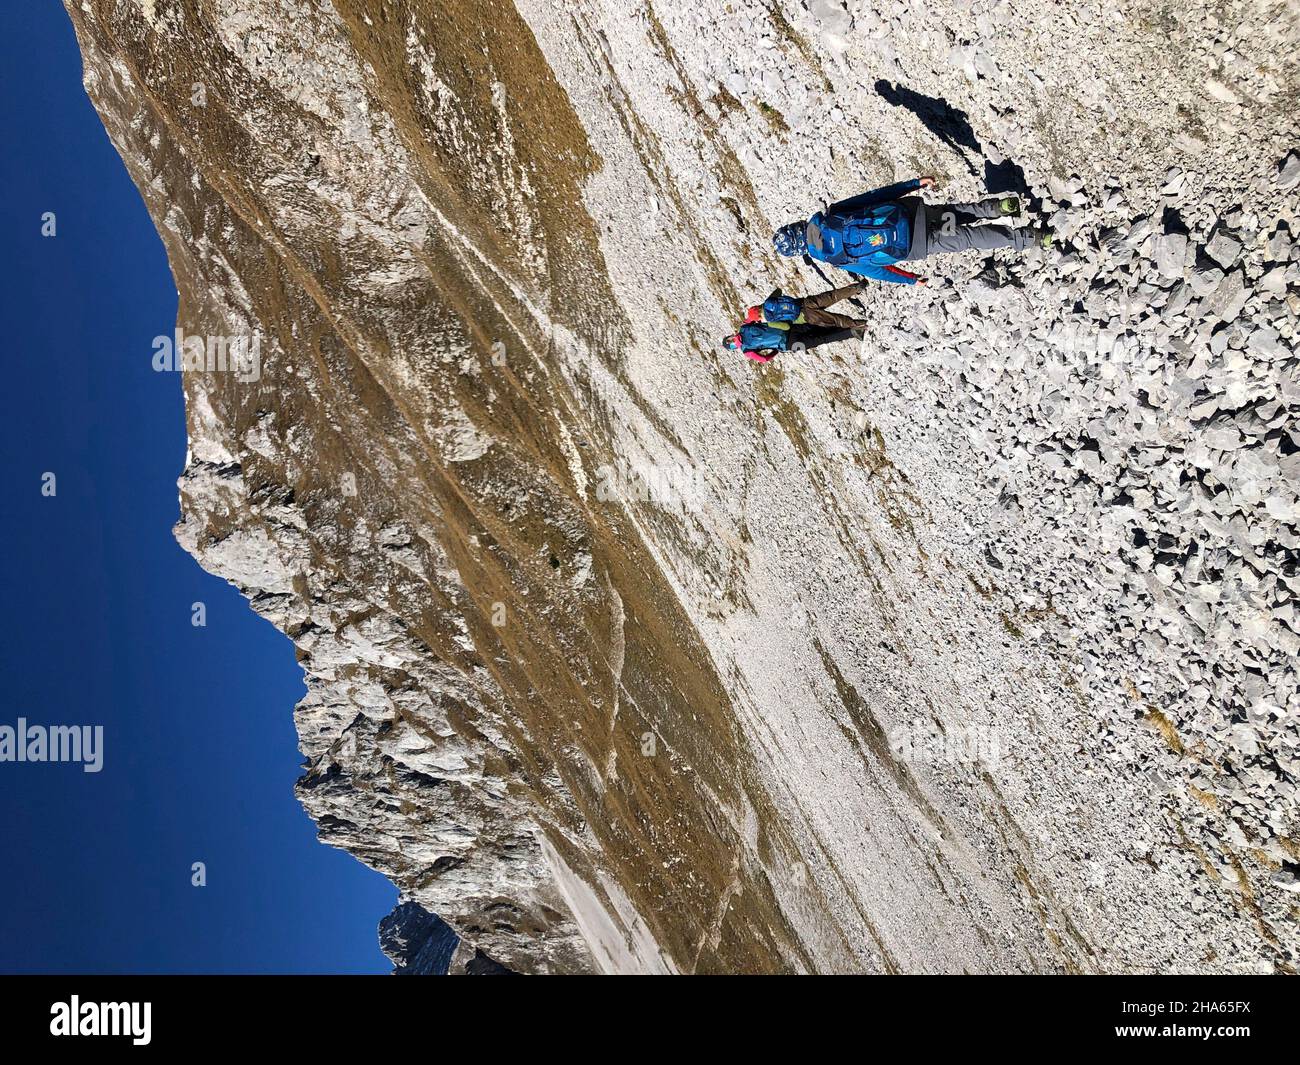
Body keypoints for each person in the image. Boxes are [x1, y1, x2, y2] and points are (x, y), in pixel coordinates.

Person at [772, 176, 1050, 284]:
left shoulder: (835, 258)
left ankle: (1033, 238)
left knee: (967, 238)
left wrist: (910, 279)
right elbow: (873, 198)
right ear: (797, 226)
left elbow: (878, 270)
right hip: (908, 213)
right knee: (955, 213)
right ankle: (1000, 206)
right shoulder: (831, 215)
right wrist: (913, 184)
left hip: (913, 245)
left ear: (801, 251)